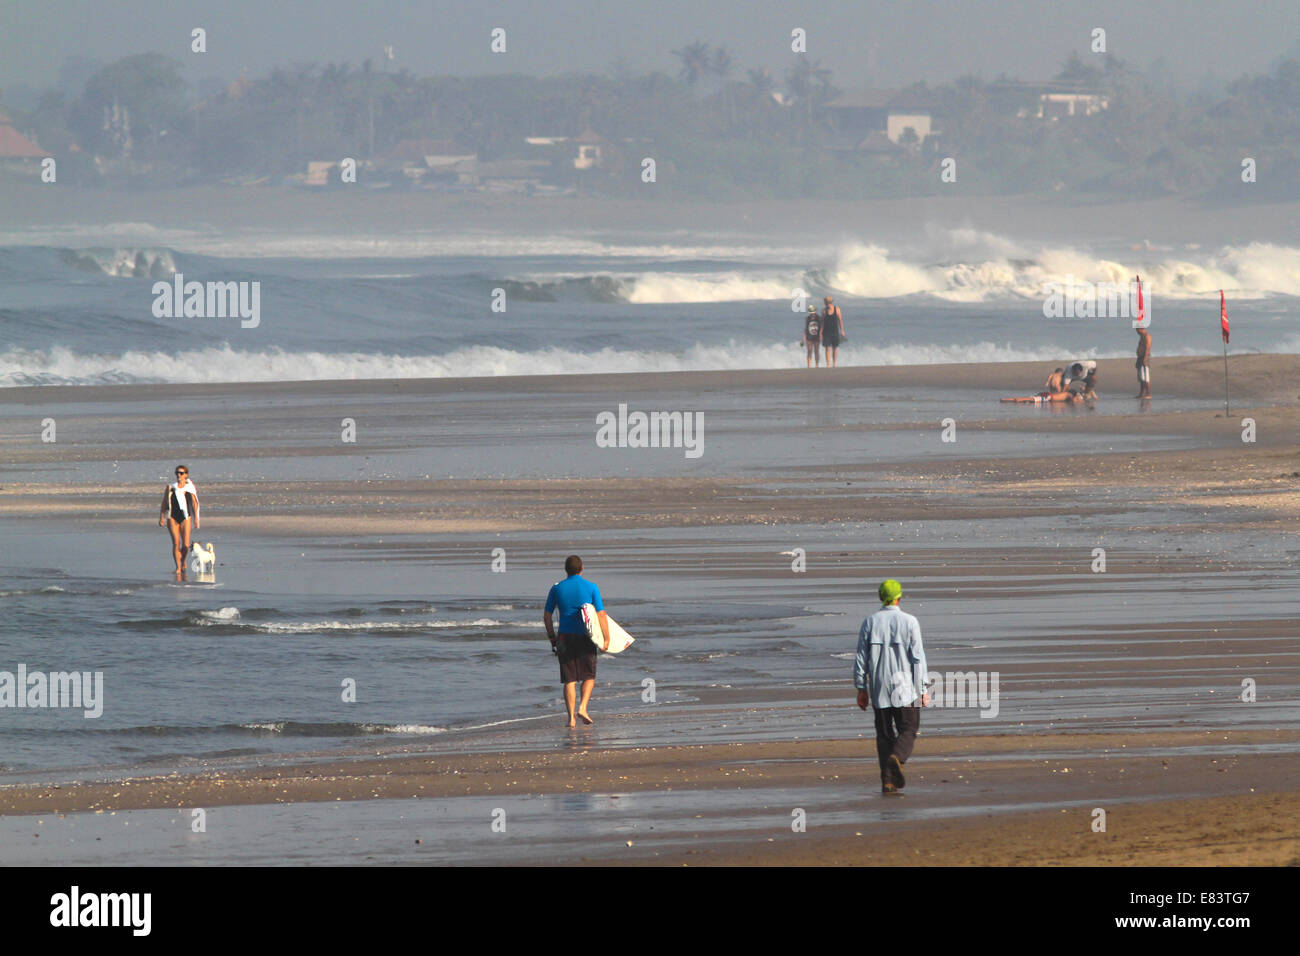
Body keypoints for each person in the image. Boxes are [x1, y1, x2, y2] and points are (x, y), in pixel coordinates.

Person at [854, 578, 929, 794]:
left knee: (884, 736)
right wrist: (923, 688)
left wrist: (861, 688)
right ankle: (897, 757)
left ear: (881, 597)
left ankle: (888, 782)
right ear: (899, 597)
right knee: (909, 729)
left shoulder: (870, 622)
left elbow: (861, 658)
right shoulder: (910, 621)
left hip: (879, 688)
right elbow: (917, 658)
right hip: (905, 688)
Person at [543, 555, 609, 727]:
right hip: (586, 636)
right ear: (582, 568)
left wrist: (552, 637)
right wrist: (606, 638)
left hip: (564, 636)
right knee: (589, 675)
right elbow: (601, 615)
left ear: (566, 570)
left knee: (569, 679)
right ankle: (583, 708)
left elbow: (547, 615)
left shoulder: (556, 589)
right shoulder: (592, 587)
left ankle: (571, 718)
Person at [158, 465, 200, 575]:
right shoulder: (171, 487)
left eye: (181, 473)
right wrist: (162, 517)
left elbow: (195, 504)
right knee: (176, 543)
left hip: (186, 517)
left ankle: (183, 561)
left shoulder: (190, 487)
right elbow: (164, 502)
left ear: (186, 475)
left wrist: (196, 519)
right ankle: (178, 567)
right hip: (172, 516)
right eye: (177, 473)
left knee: (185, 545)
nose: (178, 475)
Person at [820, 296, 846, 367]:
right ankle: (828, 364)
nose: (825, 304)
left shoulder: (837, 309)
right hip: (826, 332)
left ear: (829, 303)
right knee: (827, 348)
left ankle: (834, 363)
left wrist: (842, 331)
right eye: (825, 302)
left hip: (835, 331)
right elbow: (822, 323)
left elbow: (840, 320)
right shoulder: (824, 311)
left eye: (826, 302)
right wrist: (820, 333)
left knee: (835, 348)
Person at [1136, 325, 1152, 398]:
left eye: (1137, 329)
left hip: (1144, 358)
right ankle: (1141, 393)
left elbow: (1147, 348)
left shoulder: (1147, 336)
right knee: (1141, 377)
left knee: (1146, 377)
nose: (1137, 331)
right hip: (1140, 357)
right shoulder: (1142, 336)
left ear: (1141, 329)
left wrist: (1145, 359)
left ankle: (1148, 394)